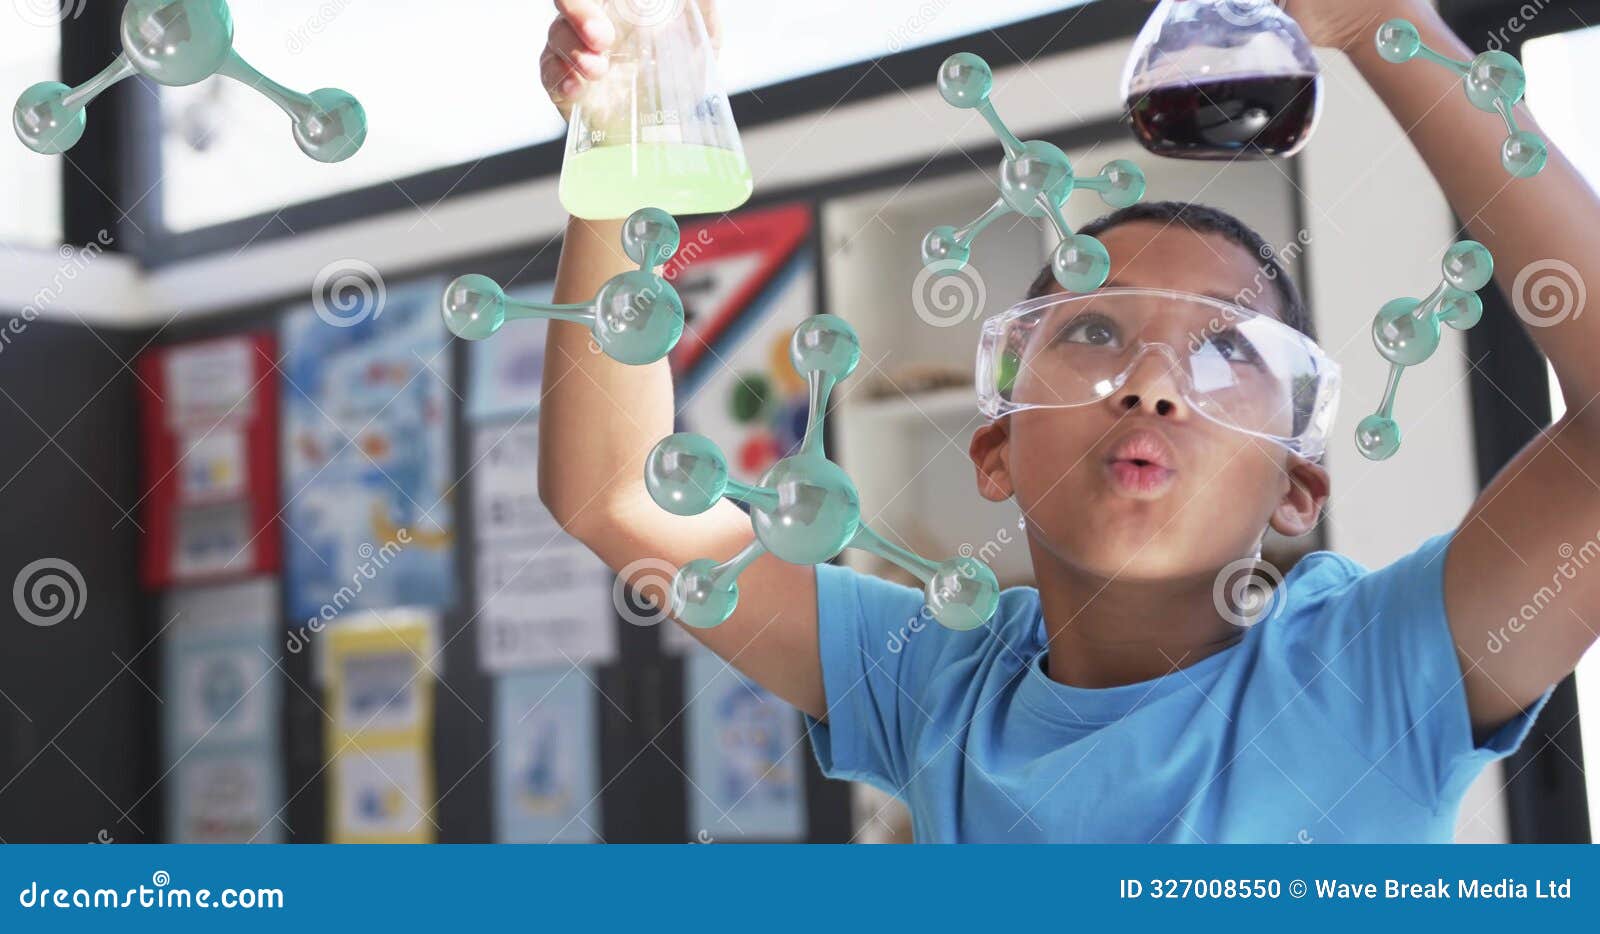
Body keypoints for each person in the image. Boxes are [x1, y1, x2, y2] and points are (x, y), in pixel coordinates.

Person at [535, 0, 1600, 841]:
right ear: (994, 447)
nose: (1151, 380)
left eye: (1227, 345)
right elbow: (618, 492)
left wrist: (1382, 25)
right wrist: (627, 128)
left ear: (1297, 484)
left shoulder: (1373, 674)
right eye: (1092, 331)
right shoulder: (935, 679)